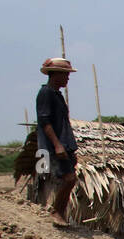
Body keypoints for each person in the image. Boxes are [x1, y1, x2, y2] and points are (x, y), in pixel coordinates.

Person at [35, 57, 78, 227]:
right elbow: (45, 121)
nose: (67, 78)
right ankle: (56, 211)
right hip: (56, 145)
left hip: (64, 144)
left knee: (69, 179)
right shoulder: (46, 93)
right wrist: (57, 144)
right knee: (69, 179)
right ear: (56, 75)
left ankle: (60, 213)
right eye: (65, 75)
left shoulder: (56, 94)